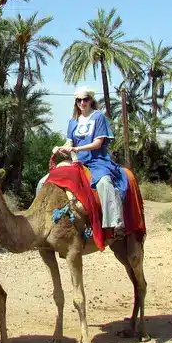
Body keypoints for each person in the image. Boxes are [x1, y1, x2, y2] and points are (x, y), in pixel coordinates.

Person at [48, 86, 129, 235]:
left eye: (85, 99)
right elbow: (69, 143)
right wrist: (60, 148)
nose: (82, 102)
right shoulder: (73, 122)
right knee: (50, 178)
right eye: (79, 100)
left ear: (91, 100)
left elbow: (98, 144)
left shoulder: (98, 117)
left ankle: (115, 222)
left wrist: (77, 150)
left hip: (97, 160)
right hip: (77, 162)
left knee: (104, 182)